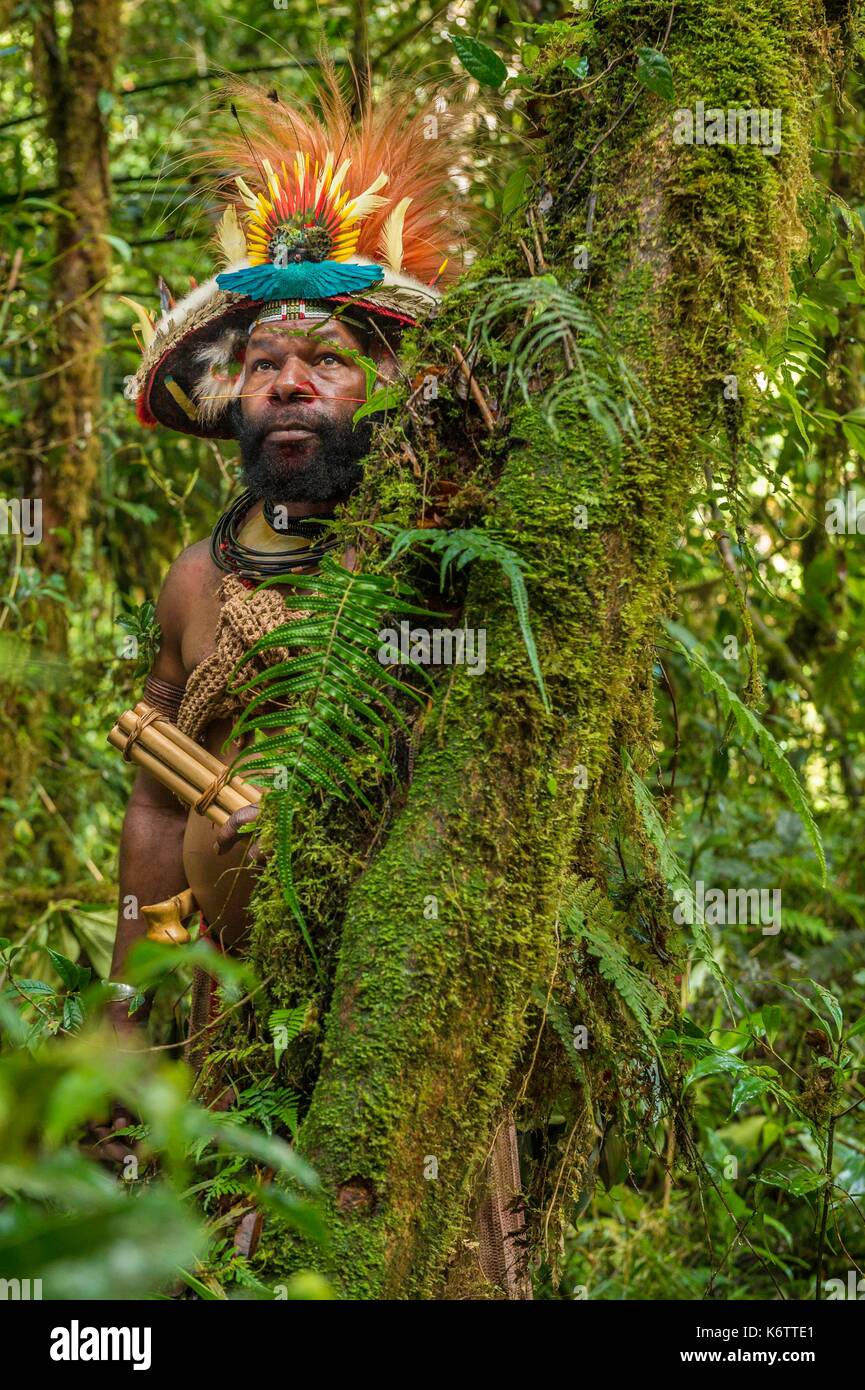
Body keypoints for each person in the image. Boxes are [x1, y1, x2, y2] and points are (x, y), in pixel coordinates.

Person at [104, 74, 531, 1298]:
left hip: (397, 991)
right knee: (236, 1254)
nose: (291, 380)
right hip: (229, 1013)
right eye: (267, 360)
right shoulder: (196, 577)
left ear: (392, 388)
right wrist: (130, 1003)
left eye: (329, 359)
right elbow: (148, 806)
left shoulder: (439, 549)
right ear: (230, 395)